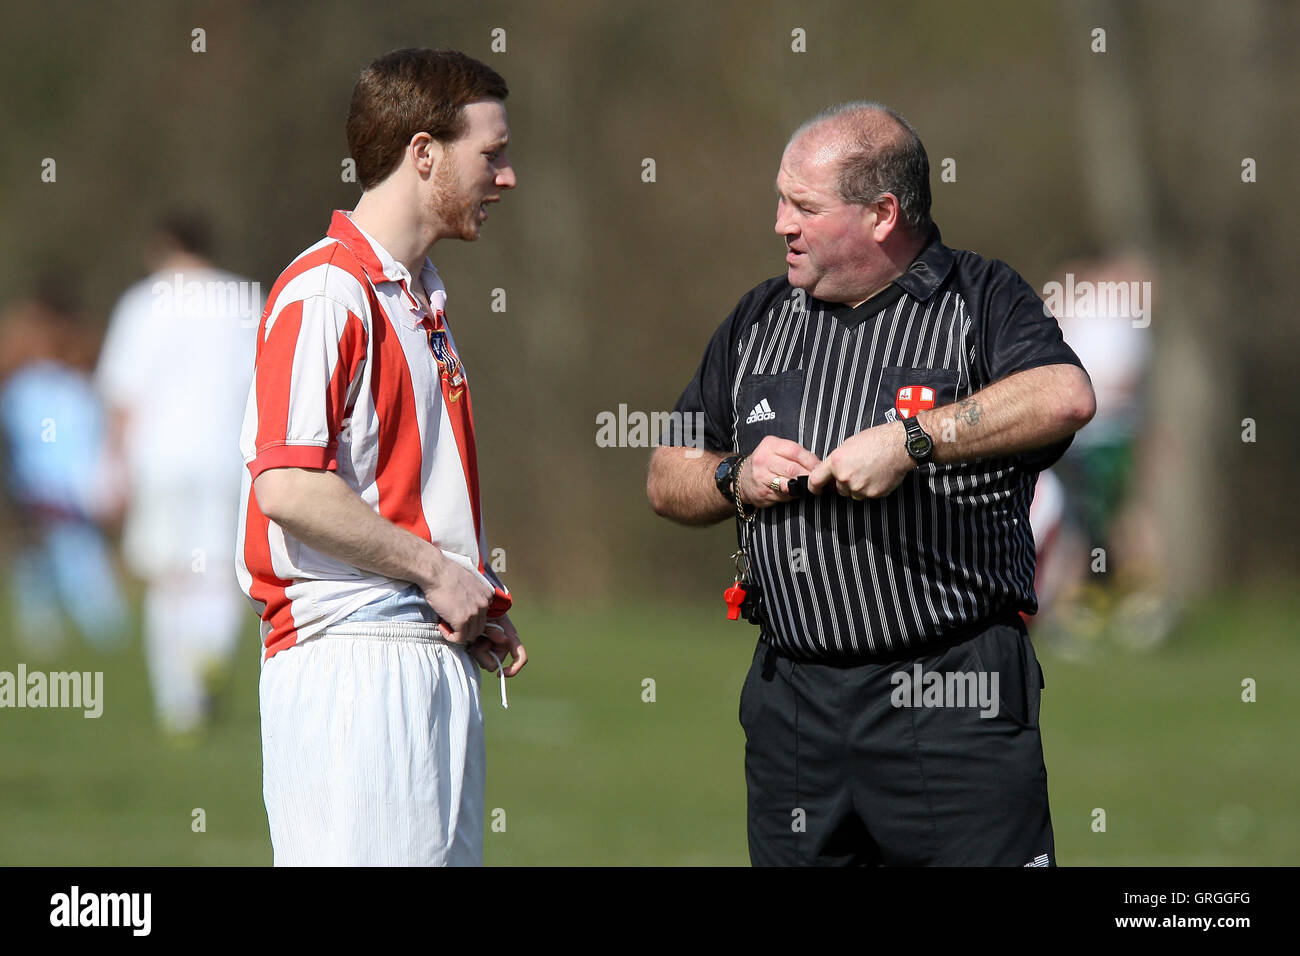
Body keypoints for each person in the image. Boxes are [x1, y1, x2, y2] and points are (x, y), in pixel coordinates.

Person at [647, 102, 1096, 866]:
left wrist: (915, 439)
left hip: (951, 697)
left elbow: (1064, 396)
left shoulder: (979, 299)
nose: (780, 223)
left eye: (804, 206)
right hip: (796, 710)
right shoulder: (760, 318)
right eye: (781, 199)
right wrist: (734, 477)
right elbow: (667, 473)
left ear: (883, 213)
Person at [238, 48, 526, 867]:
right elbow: (288, 486)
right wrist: (437, 574)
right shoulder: (328, 291)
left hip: (418, 654)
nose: (506, 177)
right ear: (424, 152)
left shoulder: (416, 294)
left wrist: (460, 597)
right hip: (351, 672)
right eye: (492, 154)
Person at [96, 213, 259, 740]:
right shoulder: (243, 300)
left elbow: (123, 399)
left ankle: (179, 703)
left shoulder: (142, 304)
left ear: (162, 246)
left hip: (159, 458)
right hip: (225, 455)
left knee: (169, 577)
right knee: (217, 572)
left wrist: (112, 465)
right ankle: (209, 655)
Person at [0, 281, 127, 655]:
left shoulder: (67, 389)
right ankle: (53, 642)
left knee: (76, 566)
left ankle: (99, 638)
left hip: (61, 496)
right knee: (39, 570)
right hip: (39, 493)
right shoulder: (36, 389)